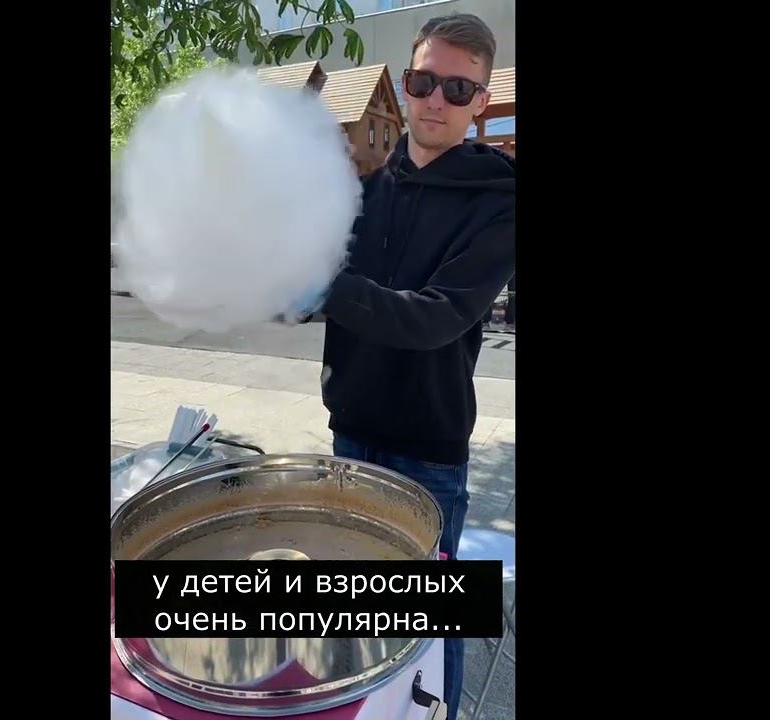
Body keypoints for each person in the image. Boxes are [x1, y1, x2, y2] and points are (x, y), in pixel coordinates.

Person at [302, 13, 515, 718]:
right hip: (350, 432)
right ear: (406, 82)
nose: (435, 100)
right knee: (358, 613)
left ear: (481, 101)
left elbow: (435, 317)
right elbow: (317, 290)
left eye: (458, 88)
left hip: (428, 449)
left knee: (428, 627)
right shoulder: (363, 192)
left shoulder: (500, 205)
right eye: (424, 82)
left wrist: (325, 288)